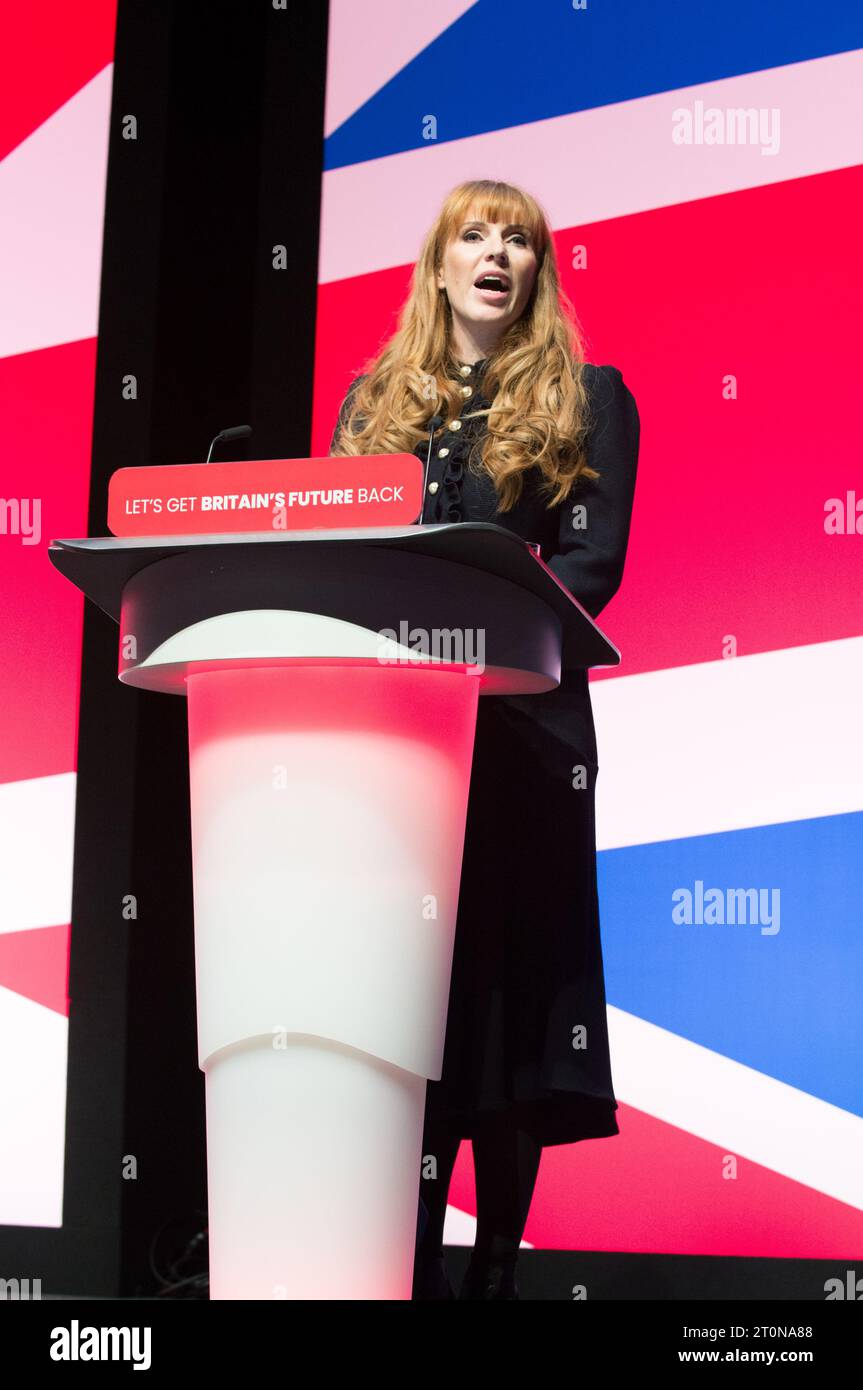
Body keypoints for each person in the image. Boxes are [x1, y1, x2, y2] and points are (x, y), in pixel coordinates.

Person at [329, 179, 640, 1300]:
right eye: (475, 233)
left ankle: (495, 1273)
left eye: (518, 238)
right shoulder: (372, 406)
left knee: (507, 1014)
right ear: (440, 264)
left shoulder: (587, 398)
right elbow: (335, 549)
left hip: (520, 743)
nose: (496, 251)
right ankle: (397, 1262)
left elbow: (588, 574)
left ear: (535, 272)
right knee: (407, 1009)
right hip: (397, 745)